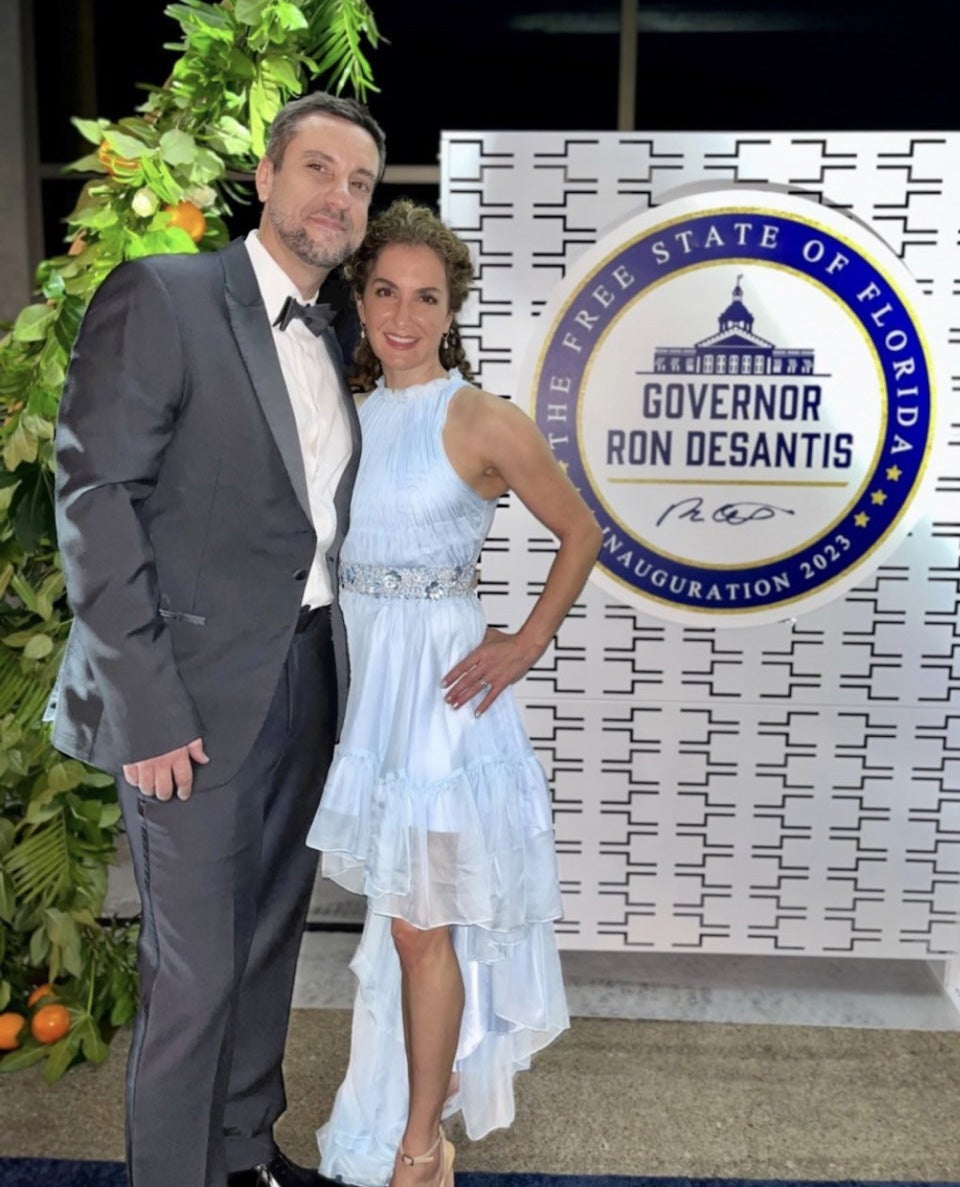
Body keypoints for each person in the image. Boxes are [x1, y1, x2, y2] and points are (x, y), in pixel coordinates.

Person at [50, 93, 385, 1187]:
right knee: (194, 975)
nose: (339, 196)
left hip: (307, 675)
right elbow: (96, 500)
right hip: (185, 696)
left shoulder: (336, 331)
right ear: (268, 177)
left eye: (360, 183)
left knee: (269, 941)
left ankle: (243, 1155)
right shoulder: (166, 293)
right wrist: (144, 708)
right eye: (319, 169)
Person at [306, 201, 603, 1187]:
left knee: (419, 924)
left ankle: (419, 1144)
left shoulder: (479, 417)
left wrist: (525, 641)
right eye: (386, 291)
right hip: (362, 688)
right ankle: (398, 1114)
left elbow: (581, 532)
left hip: (438, 703)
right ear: (361, 299)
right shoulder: (349, 416)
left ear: (451, 309)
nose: (403, 314)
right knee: (398, 925)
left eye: (425, 297)